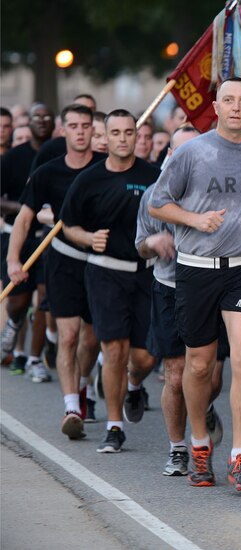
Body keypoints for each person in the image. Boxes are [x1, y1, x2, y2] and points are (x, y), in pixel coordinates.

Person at [149, 77, 241, 491]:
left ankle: (240, 457)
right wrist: (194, 219)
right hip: (195, 268)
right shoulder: (192, 152)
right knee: (200, 364)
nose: (237, 108)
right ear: (216, 105)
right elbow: (159, 202)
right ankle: (199, 444)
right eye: (229, 100)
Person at [61, 109, 161, 453]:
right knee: (114, 350)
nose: (122, 138)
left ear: (137, 135)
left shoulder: (153, 176)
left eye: (128, 132)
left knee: (146, 356)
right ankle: (114, 426)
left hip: (147, 274)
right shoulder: (89, 179)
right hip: (105, 272)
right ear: (104, 136)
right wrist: (88, 240)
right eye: (115, 132)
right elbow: (68, 225)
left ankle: (135, 384)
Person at [6, 104, 105, 439]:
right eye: (73, 126)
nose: (79, 131)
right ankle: (71, 407)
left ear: (94, 130)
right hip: (61, 260)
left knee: (91, 341)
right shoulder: (48, 172)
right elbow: (24, 217)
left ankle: (81, 385)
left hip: (99, 264)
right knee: (69, 336)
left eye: (85, 125)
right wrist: (13, 261)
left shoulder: (104, 169)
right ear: (63, 131)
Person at [135, 125, 225, 476]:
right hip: (170, 287)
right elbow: (140, 244)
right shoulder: (154, 196)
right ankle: (178, 448)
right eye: (180, 153)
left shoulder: (221, 191)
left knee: (212, 379)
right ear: (170, 156)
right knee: (175, 376)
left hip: (213, 287)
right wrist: (153, 244)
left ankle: (202, 405)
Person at [1, 103, 55, 377]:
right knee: (20, 300)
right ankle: (12, 326)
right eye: (37, 117)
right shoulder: (12, 158)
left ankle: (35, 358)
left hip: (47, 237)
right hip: (17, 236)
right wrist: (27, 207)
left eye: (47, 117)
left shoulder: (58, 153)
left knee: (44, 298)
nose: (42, 122)